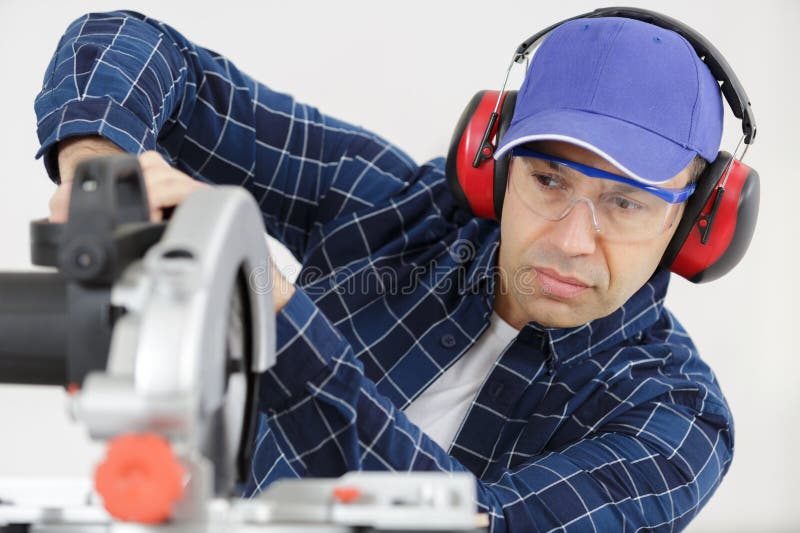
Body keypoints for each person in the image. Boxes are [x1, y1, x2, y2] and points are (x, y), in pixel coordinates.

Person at [39, 9, 736, 531]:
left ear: (699, 219)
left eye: (625, 202)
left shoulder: (675, 422)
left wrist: (267, 304)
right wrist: (104, 172)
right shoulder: (395, 211)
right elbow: (127, 42)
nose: (574, 240)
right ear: (493, 161)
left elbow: (470, 523)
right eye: (549, 180)